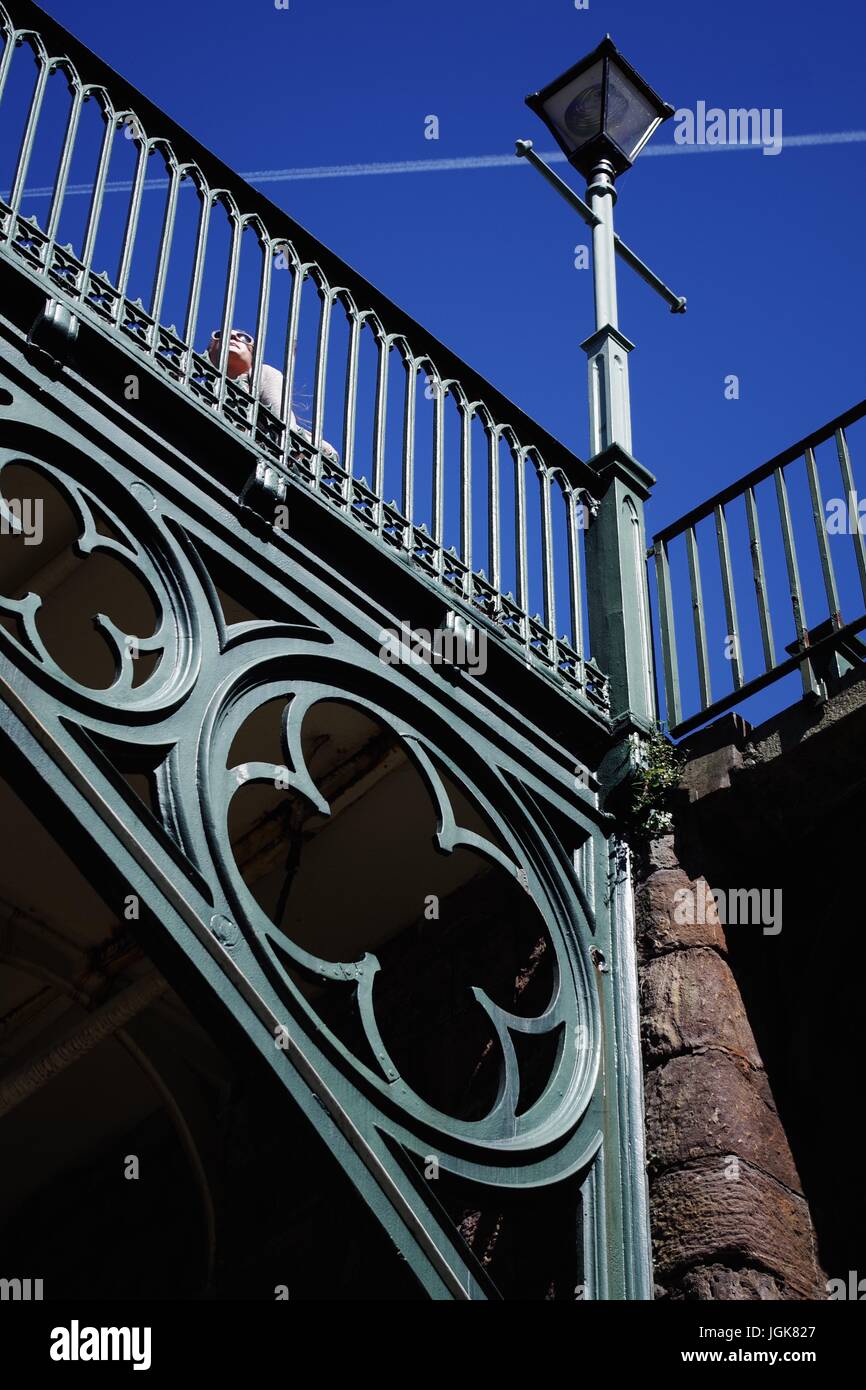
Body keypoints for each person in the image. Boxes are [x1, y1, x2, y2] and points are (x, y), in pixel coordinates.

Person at [206, 328, 339, 464]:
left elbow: (283, 425)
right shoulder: (200, 387)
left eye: (244, 338)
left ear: (253, 356)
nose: (233, 337)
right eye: (221, 335)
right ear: (209, 352)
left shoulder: (263, 373)